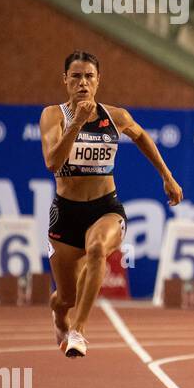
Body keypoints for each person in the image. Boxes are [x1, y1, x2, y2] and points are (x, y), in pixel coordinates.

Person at [41, 51, 183, 357]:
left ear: (98, 81)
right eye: (76, 76)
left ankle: (78, 331)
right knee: (65, 296)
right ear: (64, 80)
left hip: (106, 208)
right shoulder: (53, 115)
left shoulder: (114, 116)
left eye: (89, 76)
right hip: (65, 215)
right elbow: (52, 162)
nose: (82, 83)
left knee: (96, 250)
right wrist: (76, 123)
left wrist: (167, 176)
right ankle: (60, 314)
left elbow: (142, 136)